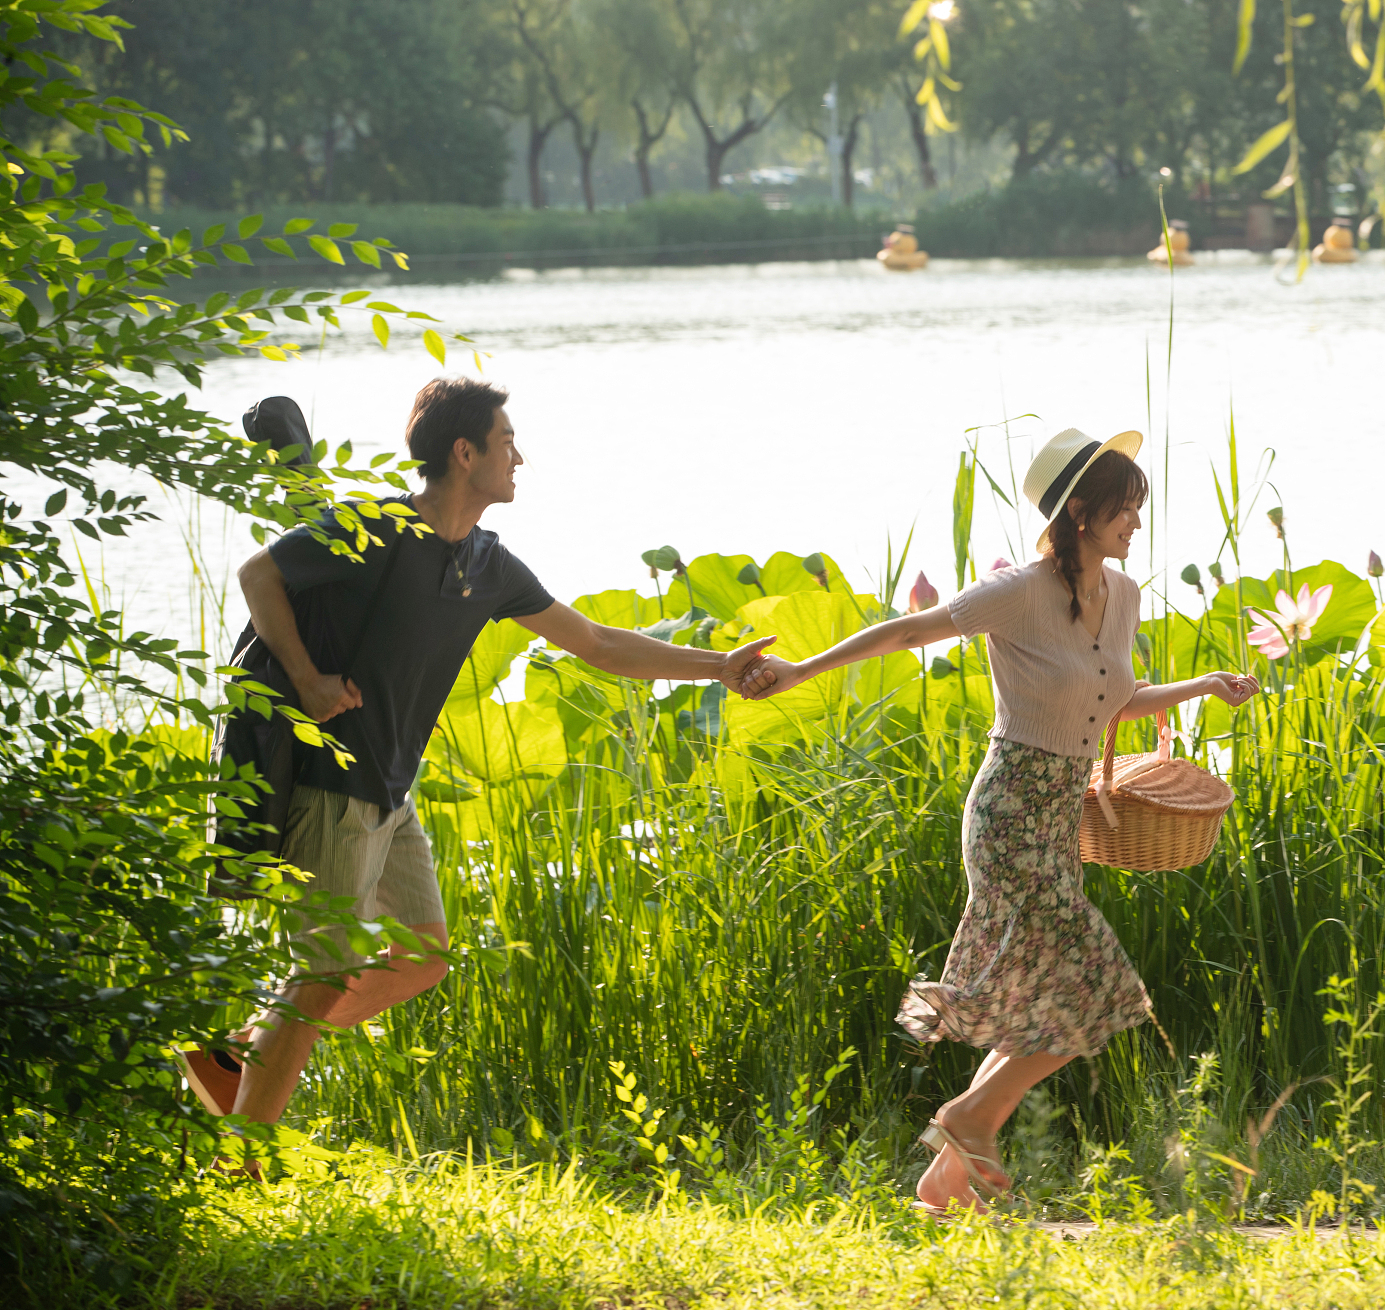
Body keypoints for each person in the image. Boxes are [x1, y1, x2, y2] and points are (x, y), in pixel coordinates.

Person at [179, 377, 775, 1139]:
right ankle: (242, 1154)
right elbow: (260, 574)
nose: (519, 457)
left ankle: (245, 1052)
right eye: (506, 442)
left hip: (392, 792)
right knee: (323, 972)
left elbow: (596, 643)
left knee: (422, 955)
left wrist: (718, 664)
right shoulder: (376, 528)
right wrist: (307, 678)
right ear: (465, 454)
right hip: (334, 782)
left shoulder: (488, 565)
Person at [741, 427, 1260, 1214]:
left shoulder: (1124, 596)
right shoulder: (1018, 591)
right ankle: (968, 1118)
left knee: (1044, 994)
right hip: (1009, 807)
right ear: (1082, 510)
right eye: (1127, 507)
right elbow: (909, 631)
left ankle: (946, 1182)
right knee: (1094, 982)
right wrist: (800, 672)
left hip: (1059, 813)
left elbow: (1114, 699)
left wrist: (1200, 686)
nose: (1138, 524)